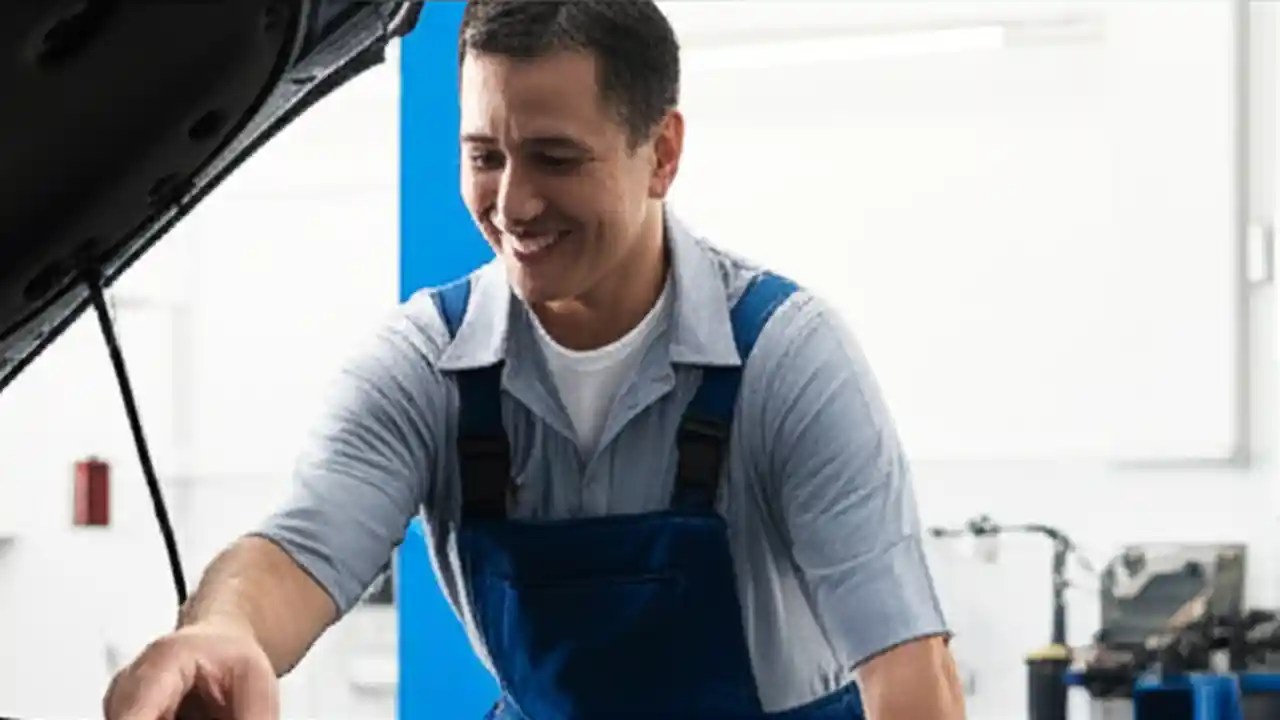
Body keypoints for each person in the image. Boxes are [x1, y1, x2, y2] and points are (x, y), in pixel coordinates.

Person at [103, 1, 965, 718]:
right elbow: (300, 548)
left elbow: (909, 674)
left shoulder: (785, 359)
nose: (513, 204)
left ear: (661, 154)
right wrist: (223, 631)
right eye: (485, 156)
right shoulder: (426, 368)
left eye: (555, 158)